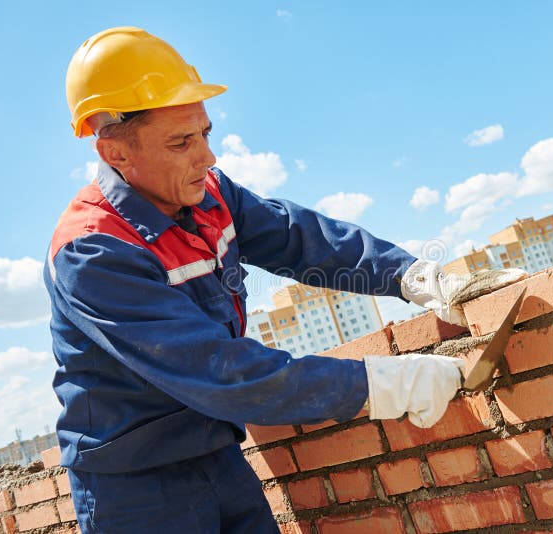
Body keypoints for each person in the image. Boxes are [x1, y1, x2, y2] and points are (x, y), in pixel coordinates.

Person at [45, 26, 523, 533]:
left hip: (215, 453)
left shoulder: (206, 193)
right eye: (182, 141)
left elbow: (303, 240)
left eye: (204, 133)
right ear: (115, 153)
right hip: (134, 488)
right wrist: (380, 385)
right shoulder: (92, 250)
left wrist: (415, 277)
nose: (206, 158)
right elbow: (217, 371)